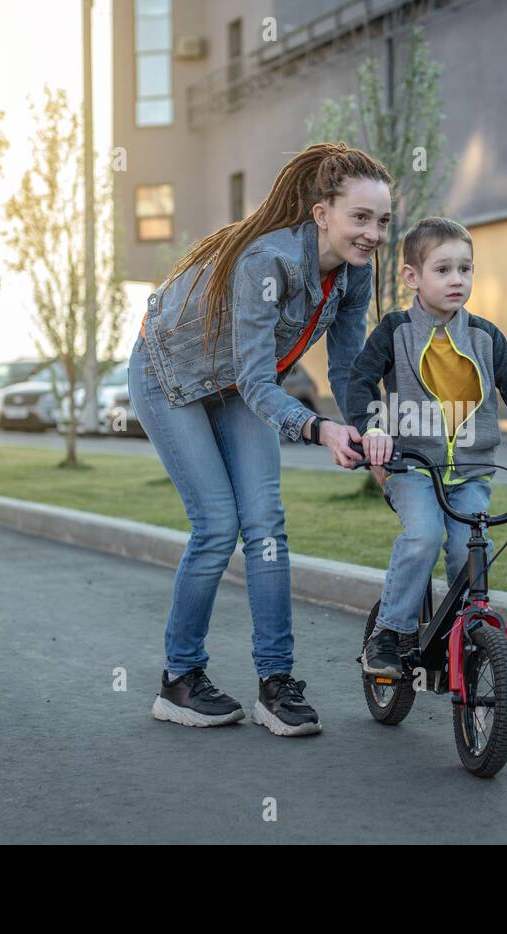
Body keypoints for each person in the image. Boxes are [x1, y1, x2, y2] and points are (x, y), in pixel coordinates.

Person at [129, 142, 393, 736]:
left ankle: (276, 686)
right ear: (322, 213)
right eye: (360, 217)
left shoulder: (354, 273)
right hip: (169, 373)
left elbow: (349, 367)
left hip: (237, 382)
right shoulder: (266, 263)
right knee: (219, 524)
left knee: (267, 524)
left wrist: (369, 426)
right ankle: (179, 680)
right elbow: (255, 379)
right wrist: (319, 428)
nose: (373, 232)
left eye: (382, 220)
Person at [346, 216, 507, 677]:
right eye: (443, 270)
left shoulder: (485, 337)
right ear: (412, 277)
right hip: (412, 468)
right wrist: (372, 429)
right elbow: (361, 382)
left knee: (468, 550)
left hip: (471, 473)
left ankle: (463, 634)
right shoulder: (395, 331)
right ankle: (389, 634)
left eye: (466, 269)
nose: (457, 279)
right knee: (423, 537)